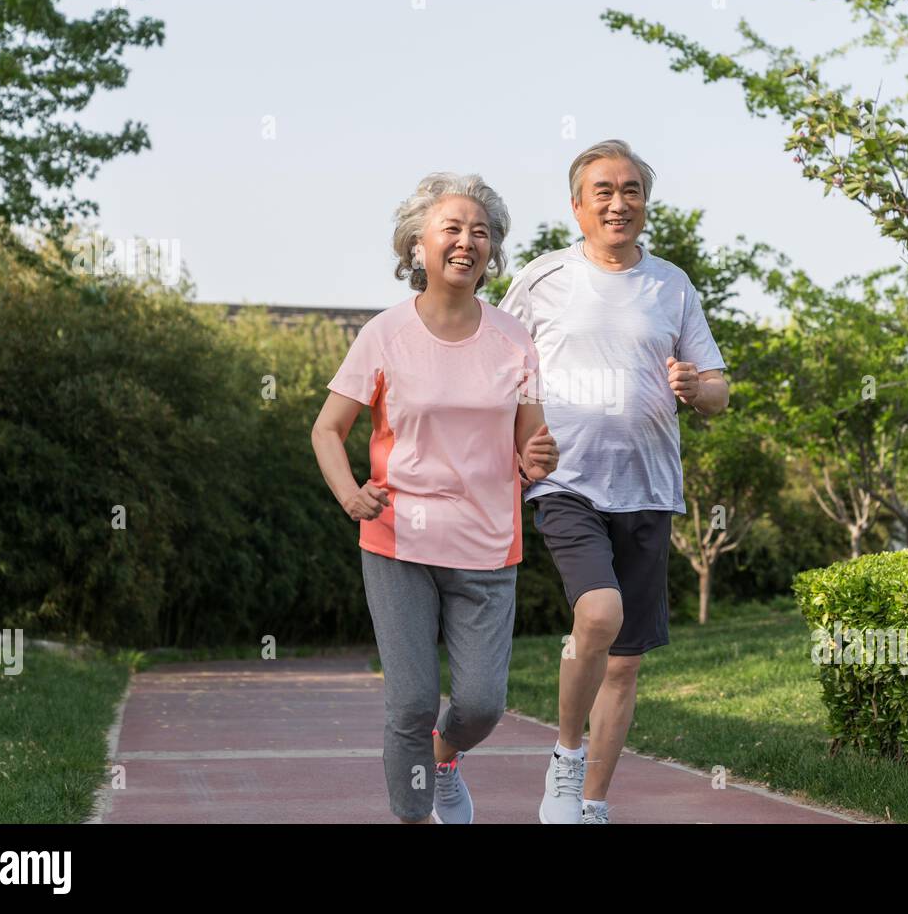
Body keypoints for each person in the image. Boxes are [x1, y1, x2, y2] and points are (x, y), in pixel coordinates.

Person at [311, 172, 557, 824]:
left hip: (486, 543)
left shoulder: (514, 340)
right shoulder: (384, 335)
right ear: (417, 245)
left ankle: (445, 757)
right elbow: (327, 429)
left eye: (480, 231)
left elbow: (532, 446)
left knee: (481, 702)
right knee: (412, 700)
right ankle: (415, 815)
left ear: (493, 250)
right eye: (451, 228)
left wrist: (538, 457)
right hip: (398, 539)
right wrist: (348, 493)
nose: (466, 241)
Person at [499, 140, 730, 824]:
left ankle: (593, 803)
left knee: (625, 663)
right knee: (599, 614)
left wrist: (698, 386)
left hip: (649, 486)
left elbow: (718, 388)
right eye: (603, 190)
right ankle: (566, 759)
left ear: (645, 203)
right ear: (577, 205)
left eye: (630, 189)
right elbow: (496, 367)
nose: (618, 201)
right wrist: (514, 445)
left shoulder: (672, 284)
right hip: (566, 480)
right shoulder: (543, 279)